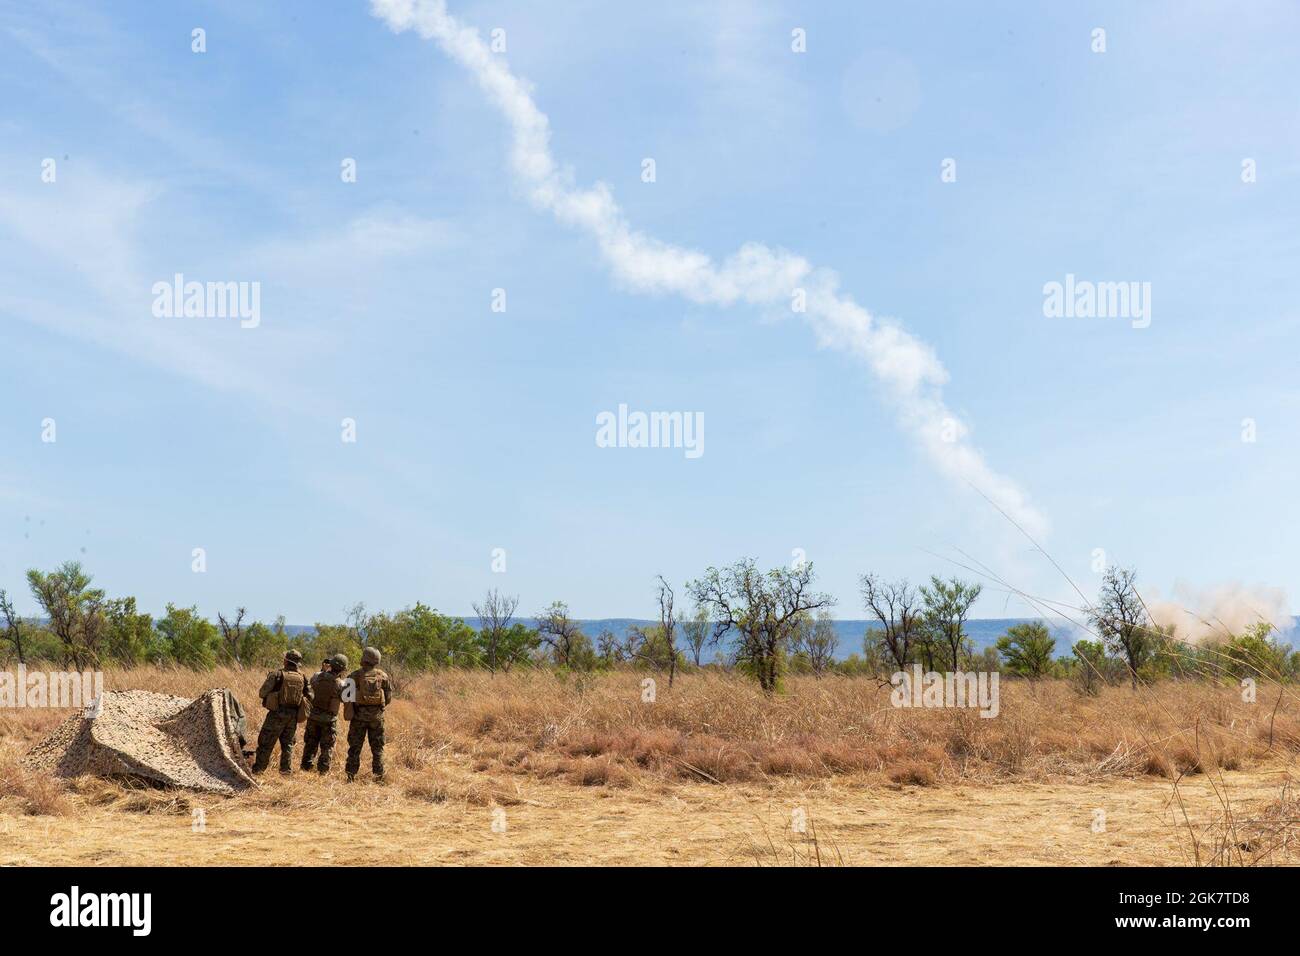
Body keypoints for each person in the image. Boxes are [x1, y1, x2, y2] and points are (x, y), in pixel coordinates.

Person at [252, 649, 312, 774]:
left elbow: (262, 693)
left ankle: (259, 770)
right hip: (293, 716)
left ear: (286, 661)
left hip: (276, 714)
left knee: (266, 742)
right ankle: (285, 771)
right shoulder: (303, 677)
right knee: (288, 744)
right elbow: (311, 695)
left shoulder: (277, 674)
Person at [344, 646, 392, 782]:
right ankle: (379, 777)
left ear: (364, 658)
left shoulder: (354, 675)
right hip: (377, 718)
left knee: (354, 748)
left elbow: (345, 697)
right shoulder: (382, 676)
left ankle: (350, 777)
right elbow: (388, 698)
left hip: (358, 718)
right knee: (378, 749)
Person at [301, 654, 347, 774]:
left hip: (313, 716)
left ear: (331, 665)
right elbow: (344, 699)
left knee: (310, 743)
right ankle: (323, 771)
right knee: (327, 747)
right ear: (342, 670)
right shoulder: (341, 684)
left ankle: (306, 767)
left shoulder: (317, 676)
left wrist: (324, 671)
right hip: (329, 720)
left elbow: (312, 684)